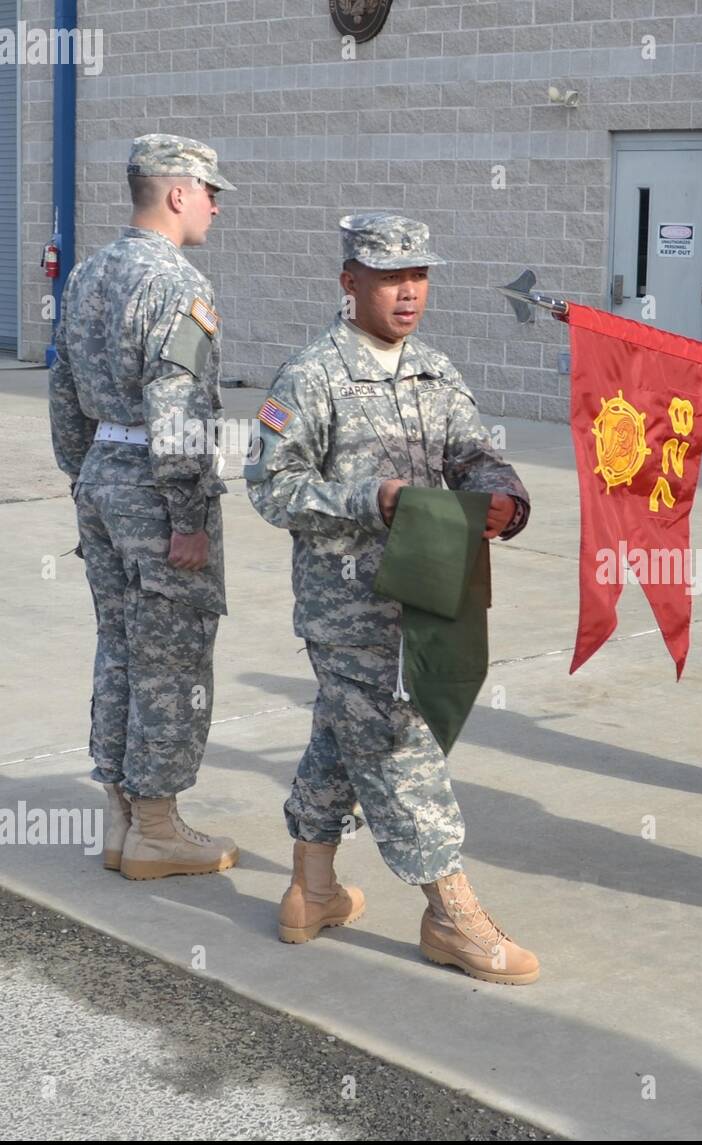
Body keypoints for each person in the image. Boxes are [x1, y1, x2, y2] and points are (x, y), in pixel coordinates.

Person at [244, 212, 539, 985]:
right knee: (402, 746)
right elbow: (271, 487)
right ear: (350, 283)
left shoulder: (435, 370)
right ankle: (451, 912)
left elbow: (475, 451)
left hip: (428, 589)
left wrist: (500, 494)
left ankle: (311, 889)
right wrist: (370, 498)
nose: (409, 292)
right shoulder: (312, 375)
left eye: (419, 275)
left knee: (344, 732)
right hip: (348, 604)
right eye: (389, 277)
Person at [48, 133, 238, 880]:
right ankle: (156, 825)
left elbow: (64, 394)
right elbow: (179, 403)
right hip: (156, 486)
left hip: (103, 472)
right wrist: (187, 514)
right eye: (210, 191)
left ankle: (122, 816)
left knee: (120, 644)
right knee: (171, 655)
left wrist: (84, 475)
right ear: (177, 192)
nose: (217, 205)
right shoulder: (176, 284)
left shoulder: (89, 275)